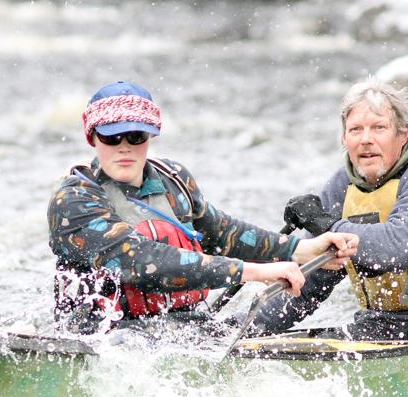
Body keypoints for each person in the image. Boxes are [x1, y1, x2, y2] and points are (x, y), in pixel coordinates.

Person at [48, 81, 358, 334]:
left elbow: (223, 234)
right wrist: (251, 273)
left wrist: (302, 249)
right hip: (101, 337)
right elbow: (142, 262)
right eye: (112, 136)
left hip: (181, 329)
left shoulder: (174, 180)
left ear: (150, 136)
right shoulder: (74, 200)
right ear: (92, 138)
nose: (125, 146)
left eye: (135, 135)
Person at [256, 77, 408, 340]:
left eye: (378, 128)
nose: (366, 140)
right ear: (344, 139)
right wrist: (241, 329)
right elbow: (308, 283)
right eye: (356, 130)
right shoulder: (342, 186)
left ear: (404, 134)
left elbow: (396, 249)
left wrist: (327, 225)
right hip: (383, 323)